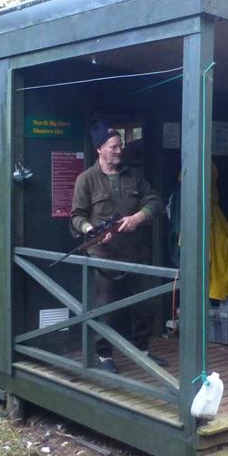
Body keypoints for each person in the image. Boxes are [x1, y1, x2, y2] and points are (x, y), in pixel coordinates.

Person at [71, 121, 165, 374]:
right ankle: (103, 356)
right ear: (99, 149)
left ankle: (142, 351)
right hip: (103, 258)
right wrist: (91, 230)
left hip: (136, 255)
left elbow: (155, 201)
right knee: (104, 309)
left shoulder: (134, 175)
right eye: (113, 146)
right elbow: (76, 216)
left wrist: (139, 217)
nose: (119, 151)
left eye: (120, 146)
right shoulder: (86, 180)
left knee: (146, 306)